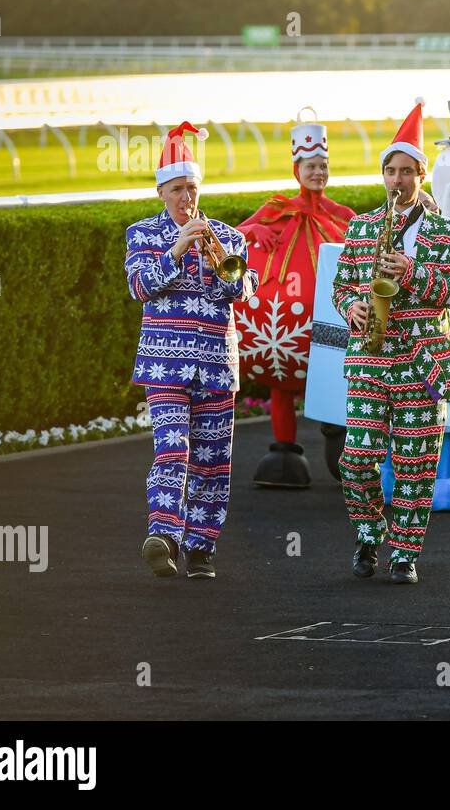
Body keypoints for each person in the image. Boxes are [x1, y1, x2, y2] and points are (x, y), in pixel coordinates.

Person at [331, 102, 450, 585]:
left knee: (416, 468)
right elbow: (342, 286)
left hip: (423, 363)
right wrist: (350, 306)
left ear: (422, 173)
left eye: (407, 172)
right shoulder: (361, 228)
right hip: (370, 356)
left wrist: (411, 272)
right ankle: (370, 533)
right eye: (390, 171)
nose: (398, 180)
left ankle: (405, 554)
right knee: (354, 459)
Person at [127, 122, 259, 579]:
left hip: (217, 367)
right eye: (179, 189)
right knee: (172, 450)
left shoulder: (227, 237)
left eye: (193, 188)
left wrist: (220, 265)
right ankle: (163, 535)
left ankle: (201, 547)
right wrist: (177, 250)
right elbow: (140, 287)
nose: (188, 198)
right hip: (164, 366)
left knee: (213, 460)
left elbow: (243, 291)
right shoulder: (142, 235)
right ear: (162, 191)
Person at [234, 111, 357, 488]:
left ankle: (339, 438)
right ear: (296, 169)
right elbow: (233, 235)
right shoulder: (276, 209)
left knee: (335, 373)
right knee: (281, 388)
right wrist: (255, 229)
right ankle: (284, 453)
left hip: (331, 327)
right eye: (310, 166)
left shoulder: (342, 215)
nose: (317, 173)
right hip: (277, 333)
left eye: (322, 166)